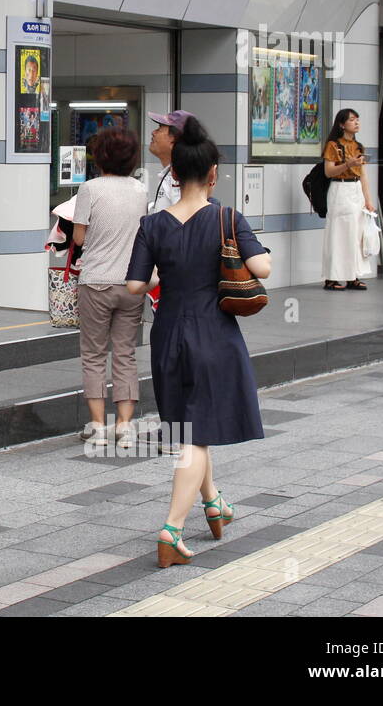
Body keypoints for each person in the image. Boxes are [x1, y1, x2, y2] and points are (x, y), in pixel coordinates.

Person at [126, 116, 271, 567]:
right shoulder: (227, 216)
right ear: (211, 175)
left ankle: (214, 503)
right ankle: (171, 529)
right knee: (196, 434)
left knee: (191, 426)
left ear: (175, 173)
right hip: (214, 333)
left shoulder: (153, 224)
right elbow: (262, 269)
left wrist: (166, 269)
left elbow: (135, 285)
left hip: (168, 331)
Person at [71, 128, 148, 449]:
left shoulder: (89, 189)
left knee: (93, 354)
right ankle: (125, 426)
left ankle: (99, 426)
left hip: (96, 282)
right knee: (126, 354)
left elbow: (78, 238)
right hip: (131, 283)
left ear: (99, 157)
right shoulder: (141, 190)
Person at [321, 108, 375, 291]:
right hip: (340, 188)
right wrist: (348, 164)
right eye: (352, 120)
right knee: (338, 232)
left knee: (356, 233)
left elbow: (363, 175)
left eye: (357, 119)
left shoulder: (359, 146)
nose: (356, 122)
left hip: (355, 189)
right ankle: (332, 277)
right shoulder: (333, 145)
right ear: (342, 124)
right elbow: (329, 172)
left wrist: (368, 199)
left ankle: (353, 275)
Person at [146, 109, 193, 214]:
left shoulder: (182, 175)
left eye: (160, 128)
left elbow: (183, 220)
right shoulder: (172, 172)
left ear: (174, 138)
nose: (153, 132)